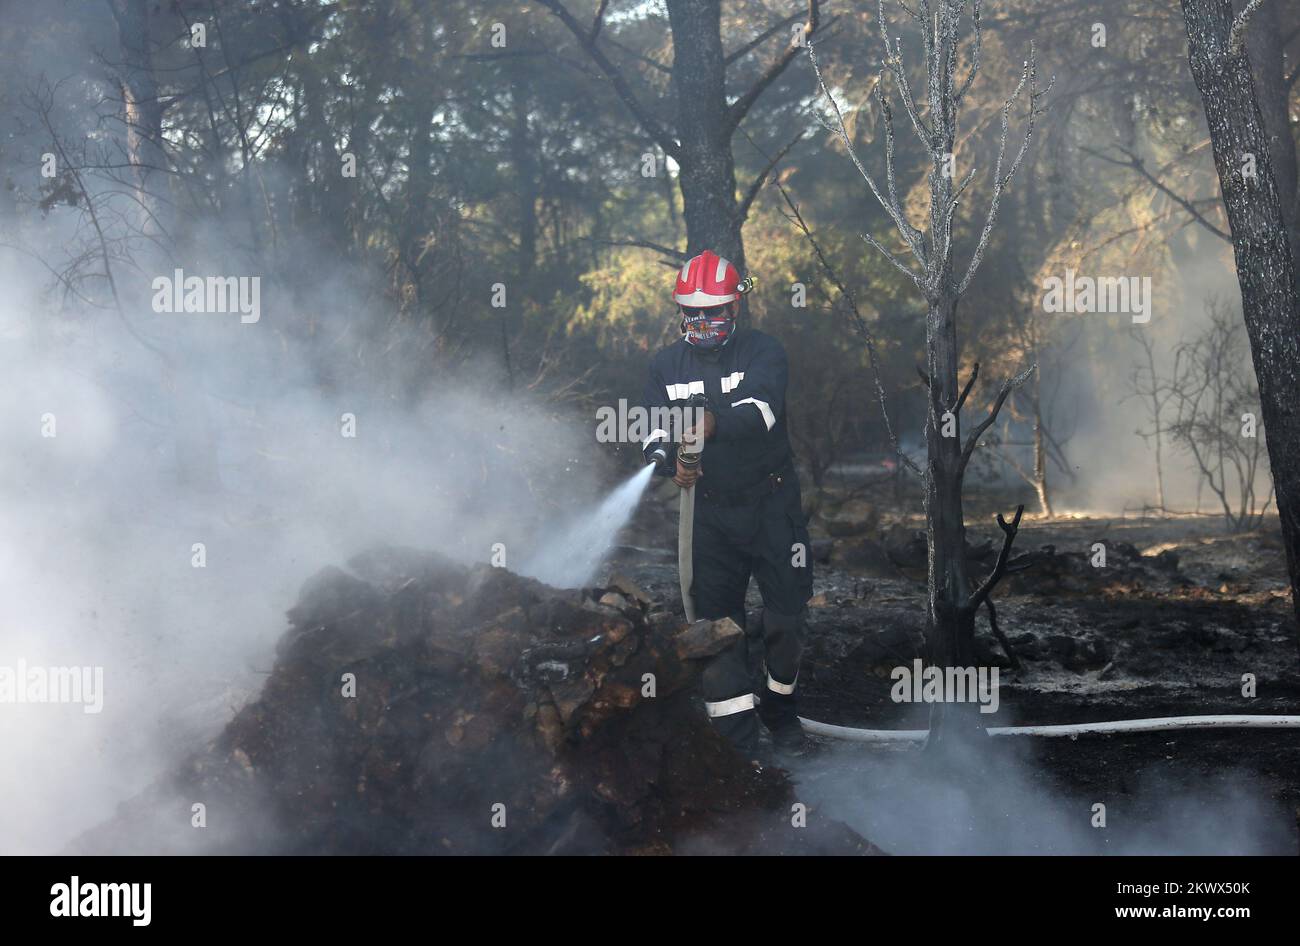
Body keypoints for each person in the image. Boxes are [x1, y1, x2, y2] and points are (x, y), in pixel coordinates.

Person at [641, 250, 814, 753]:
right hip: (710, 515)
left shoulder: (764, 353)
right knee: (718, 627)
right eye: (692, 312)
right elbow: (654, 421)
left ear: (734, 309)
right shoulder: (665, 365)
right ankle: (738, 746)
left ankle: (781, 712)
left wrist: (711, 423)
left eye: (712, 311)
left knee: (785, 618)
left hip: (771, 506)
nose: (701, 322)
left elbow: (761, 410)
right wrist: (662, 454)